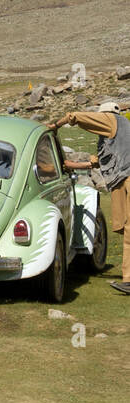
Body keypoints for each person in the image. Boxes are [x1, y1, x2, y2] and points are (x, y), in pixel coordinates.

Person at [51, 102, 130, 293]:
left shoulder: (111, 120)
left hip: (128, 178)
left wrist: (56, 125)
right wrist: (70, 164)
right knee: (126, 228)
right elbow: (96, 161)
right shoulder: (113, 135)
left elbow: (77, 117)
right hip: (123, 180)